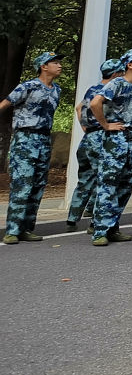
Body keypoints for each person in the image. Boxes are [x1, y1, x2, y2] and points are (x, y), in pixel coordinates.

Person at [90, 48, 132, 246]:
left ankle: (113, 227)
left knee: (125, 186)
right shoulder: (117, 83)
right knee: (109, 184)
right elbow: (95, 103)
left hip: (131, 140)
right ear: (129, 64)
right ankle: (100, 230)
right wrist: (106, 125)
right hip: (115, 140)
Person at [1, 51, 63, 244]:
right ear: (43, 66)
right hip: (25, 139)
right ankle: (12, 230)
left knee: (37, 185)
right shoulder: (28, 86)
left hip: (44, 140)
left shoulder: (56, 90)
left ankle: (27, 228)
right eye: (54, 62)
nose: (59, 66)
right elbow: (5, 103)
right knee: (22, 184)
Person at [68, 57, 122, 231]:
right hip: (101, 136)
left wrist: (84, 125)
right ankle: (95, 220)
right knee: (104, 178)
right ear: (115, 74)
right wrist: (105, 125)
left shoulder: (92, 88)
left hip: (88, 138)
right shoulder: (110, 90)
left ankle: (73, 216)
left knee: (85, 178)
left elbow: (79, 107)